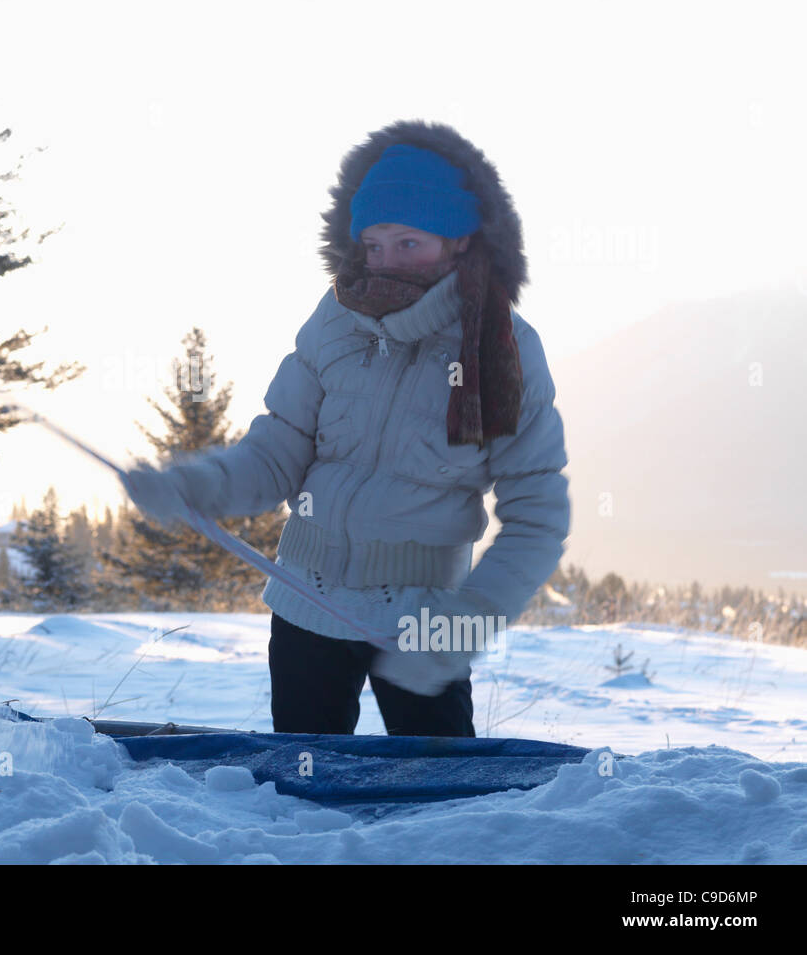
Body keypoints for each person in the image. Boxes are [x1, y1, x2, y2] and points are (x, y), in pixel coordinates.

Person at [121, 120, 571, 737]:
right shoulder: (335, 319)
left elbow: (539, 518)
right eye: (375, 244)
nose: (387, 262)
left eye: (409, 242)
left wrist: (456, 631)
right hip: (304, 604)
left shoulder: (504, 349)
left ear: (461, 240)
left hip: (421, 622)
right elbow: (278, 451)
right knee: (305, 801)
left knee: (436, 805)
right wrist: (194, 487)